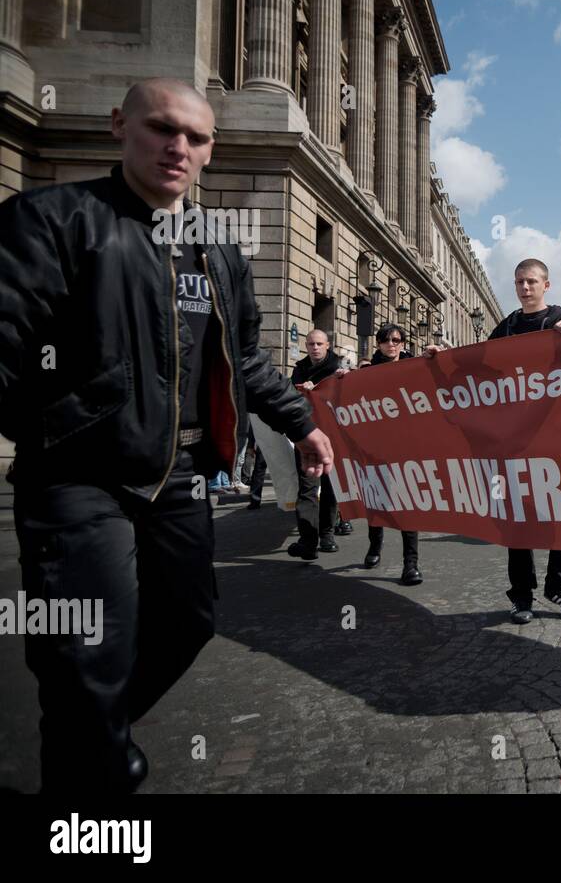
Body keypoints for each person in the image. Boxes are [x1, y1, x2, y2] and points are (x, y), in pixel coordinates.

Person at [0, 78, 331, 793]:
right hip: (78, 479)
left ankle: (98, 734)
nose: (178, 147)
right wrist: (62, 426)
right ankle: (90, 795)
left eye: (196, 136)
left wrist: (301, 422)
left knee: (188, 623)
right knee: (84, 651)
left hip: (179, 476)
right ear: (121, 125)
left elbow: (245, 358)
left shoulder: (219, 250)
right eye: (161, 128)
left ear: (211, 150)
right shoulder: (52, 218)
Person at [485, 259, 561, 623]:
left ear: (546, 285)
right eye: (518, 283)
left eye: (531, 282)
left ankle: (559, 585)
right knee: (518, 518)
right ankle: (522, 594)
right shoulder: (507, 327)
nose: (524, 288)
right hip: (515, 439)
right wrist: (436, 358)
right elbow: (476, 365)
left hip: (556, 436)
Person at [358, 323, 423, 585]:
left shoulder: (416, 368)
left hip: (406, 445)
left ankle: (411, 564)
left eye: (397, 339)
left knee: (407, 504)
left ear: (403, 343)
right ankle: (375, 545)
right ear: (379, 344)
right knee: (377, 498)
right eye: (386, 340)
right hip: (375, 445)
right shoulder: (365, 372)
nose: (392, 344)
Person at [286, 329, 346, 561]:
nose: (315, 348)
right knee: (308, 489)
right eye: (311, 344)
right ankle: (308, 540)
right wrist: (302, 392)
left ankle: (327, 534)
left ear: (327, 345)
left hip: (332, 437)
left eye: (319, 344)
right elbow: (290, 399)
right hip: (307, 436)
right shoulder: (299, 370)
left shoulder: (337, 369)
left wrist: (339, 382)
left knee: (331, 488)